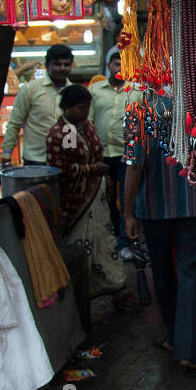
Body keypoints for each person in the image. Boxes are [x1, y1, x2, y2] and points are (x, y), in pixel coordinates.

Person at [123, 91, 196, 373]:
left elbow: (133, 164)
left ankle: (176, 339)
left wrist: (127, 212)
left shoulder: (137, 111)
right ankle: (188, 349)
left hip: (154, 206)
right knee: (191, 274)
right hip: (192, 203)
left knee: (162, 272)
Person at [45, 83, 131, 304]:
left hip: (96, 195)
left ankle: (112, 283)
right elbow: (64, 167)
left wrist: (104, 177)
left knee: (102, 239)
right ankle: (80, 291)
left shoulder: (87, 126)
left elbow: (95, 155)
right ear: (68, 108)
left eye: (86, 108)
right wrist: (94, 170)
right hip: (77, 200)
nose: (84, 112)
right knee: (81, 243)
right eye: (81, 108)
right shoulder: (66, 131)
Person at [89, 47, 141, 259]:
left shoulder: (136, 90)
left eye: (124, 65)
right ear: (109, 67)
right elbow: (89, 121)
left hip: (126, 153)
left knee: (126, 198)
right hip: (102, 152)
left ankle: (127, 241)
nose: (119, 68)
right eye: (116, 64)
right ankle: (108, 242)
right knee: (104, 197)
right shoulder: (95, 90)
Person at [1, 44, 73, 167]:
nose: (62, 68)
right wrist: (6, 155)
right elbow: (15, 123)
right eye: (57, 64)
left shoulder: (74, 92)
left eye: (66, 65)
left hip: (65, 159)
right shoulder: (30, 90)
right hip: (36, 159)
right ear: (47, 65)